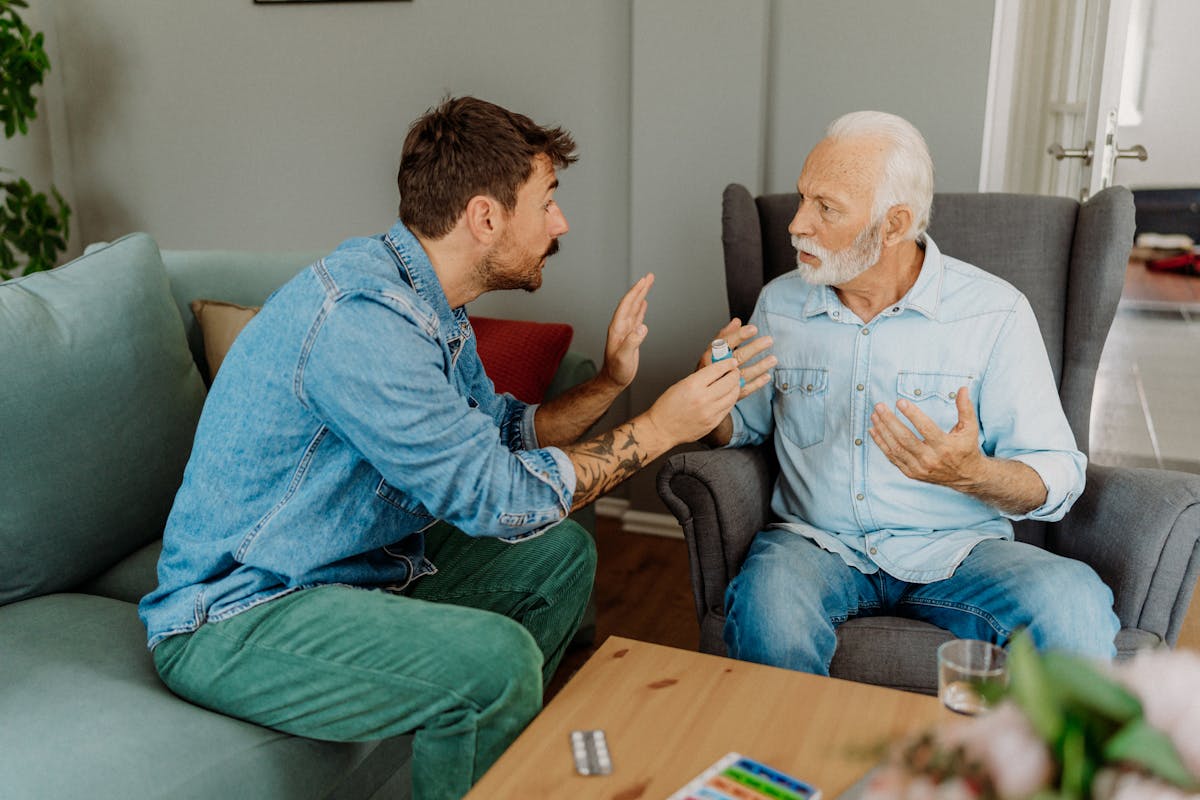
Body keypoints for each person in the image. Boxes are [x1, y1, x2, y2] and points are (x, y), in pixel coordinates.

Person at [138, 96, 742, 800]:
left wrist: (610, 382)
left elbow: (501, 436)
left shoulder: (430, 304)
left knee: (561, 556)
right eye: (547, 202)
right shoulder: (365, 325)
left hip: (344, 570)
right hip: (239, 611)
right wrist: (663, 429)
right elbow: (500, 500)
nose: (561, 222)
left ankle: (481, 769)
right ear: (486, 217)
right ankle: (476, 727)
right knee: (497, 664)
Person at [699, 110, 1120, 676]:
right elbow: (744, 428)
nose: (797, 224)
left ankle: (1049, 766)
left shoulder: (995, 313)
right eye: (803, 198)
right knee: (768, 611)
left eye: (826, 208)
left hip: (960, 552)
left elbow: (1059, 473)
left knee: (1073, 603)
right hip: (816, 546)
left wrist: (973, 474)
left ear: (893, 225)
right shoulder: (781, 304)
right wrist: (715, 396)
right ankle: (783, 762)